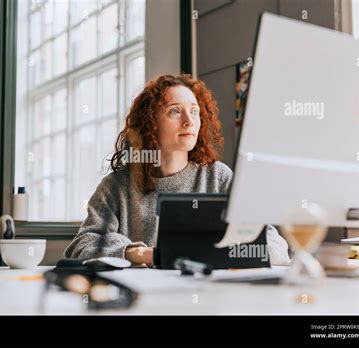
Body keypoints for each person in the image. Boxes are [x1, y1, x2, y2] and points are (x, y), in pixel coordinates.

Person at [64, 74, 289, 266]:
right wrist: (145, 255)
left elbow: (275, 246)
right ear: (150, 122)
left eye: (194, 111)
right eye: (175, 111)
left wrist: (215, 256)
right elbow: (82, 245)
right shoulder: (117, 186)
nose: (189, 121)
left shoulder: (219, 177)